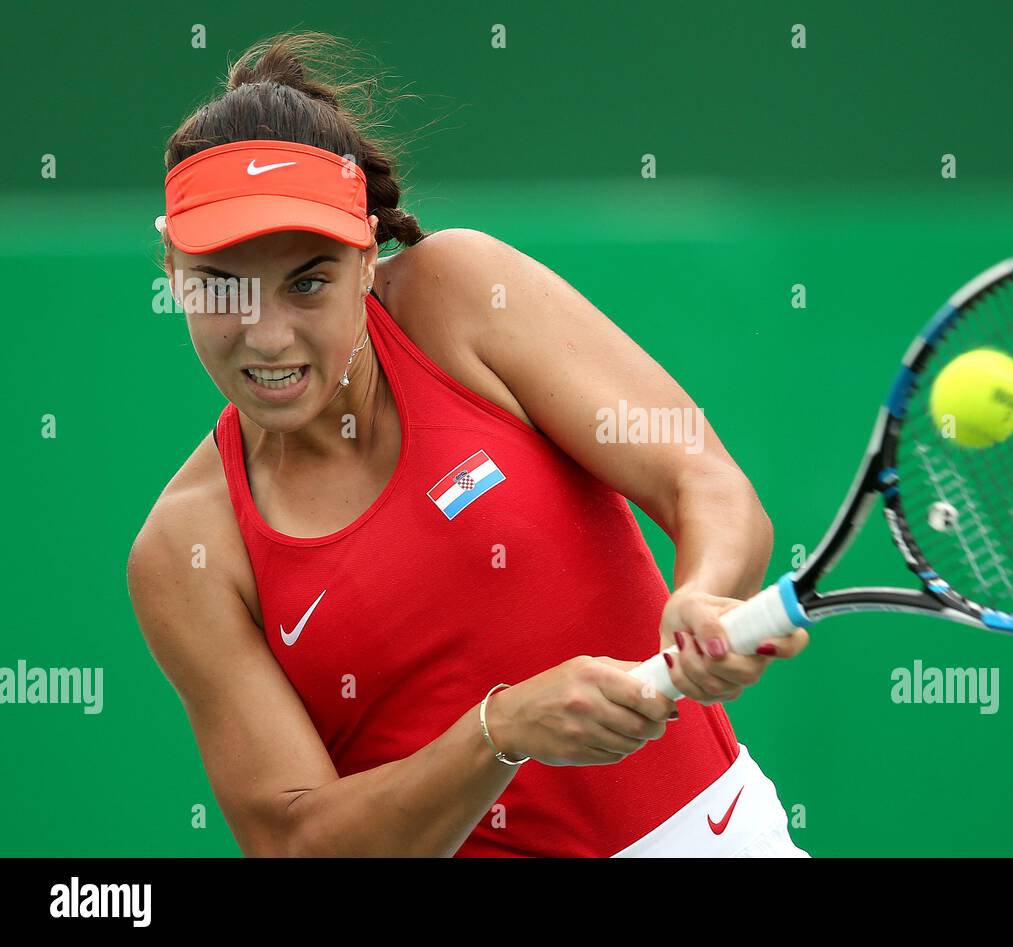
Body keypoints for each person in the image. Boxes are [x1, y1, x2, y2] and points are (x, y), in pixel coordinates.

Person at [127, 32, 810, 857]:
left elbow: (702, 478)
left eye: (308, 281)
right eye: (222, 286)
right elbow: (296, 842)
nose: (266, 336)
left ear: (367, 255)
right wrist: (499, 729)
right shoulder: (185, 550)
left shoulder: (460, 297)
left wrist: (704, 593)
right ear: (172, 272)